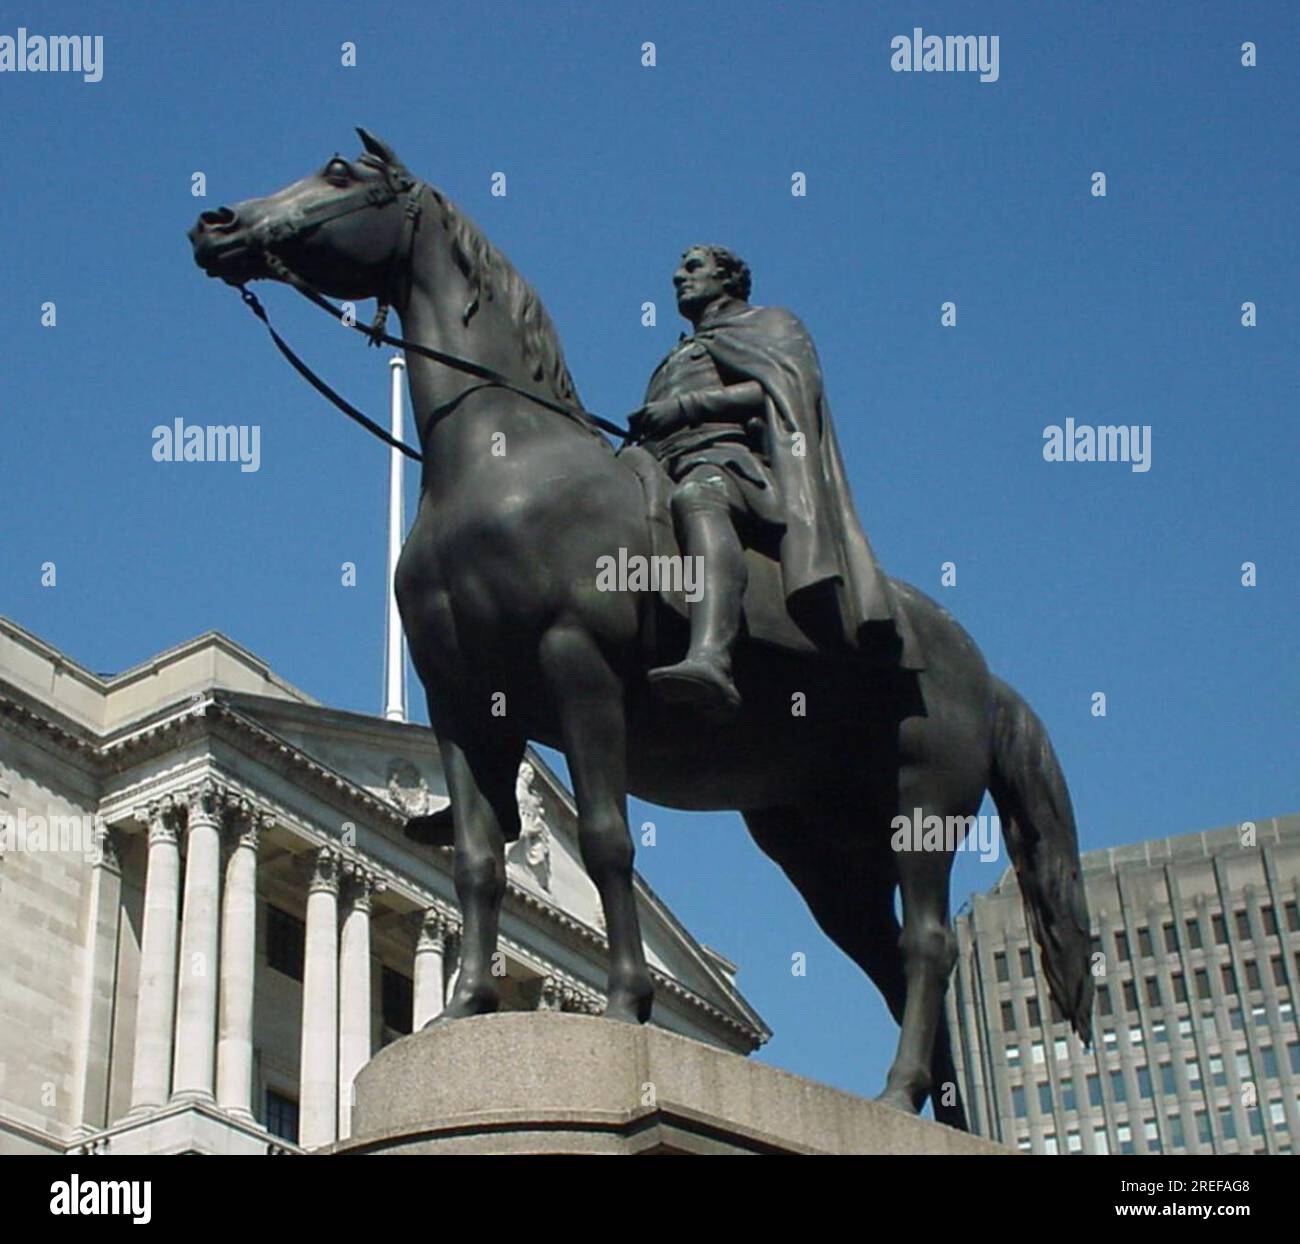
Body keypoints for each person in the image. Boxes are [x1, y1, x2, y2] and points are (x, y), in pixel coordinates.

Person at [629, 245, 911, 717]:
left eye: (693, 267)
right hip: (662, 463)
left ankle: (711, 656)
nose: (679, 276)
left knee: (700, 496)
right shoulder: (678, 353)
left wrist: (688, 407)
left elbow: (787, 388)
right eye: (678, 267)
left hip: (733, 466)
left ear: (728, 277)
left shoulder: (771, 325)